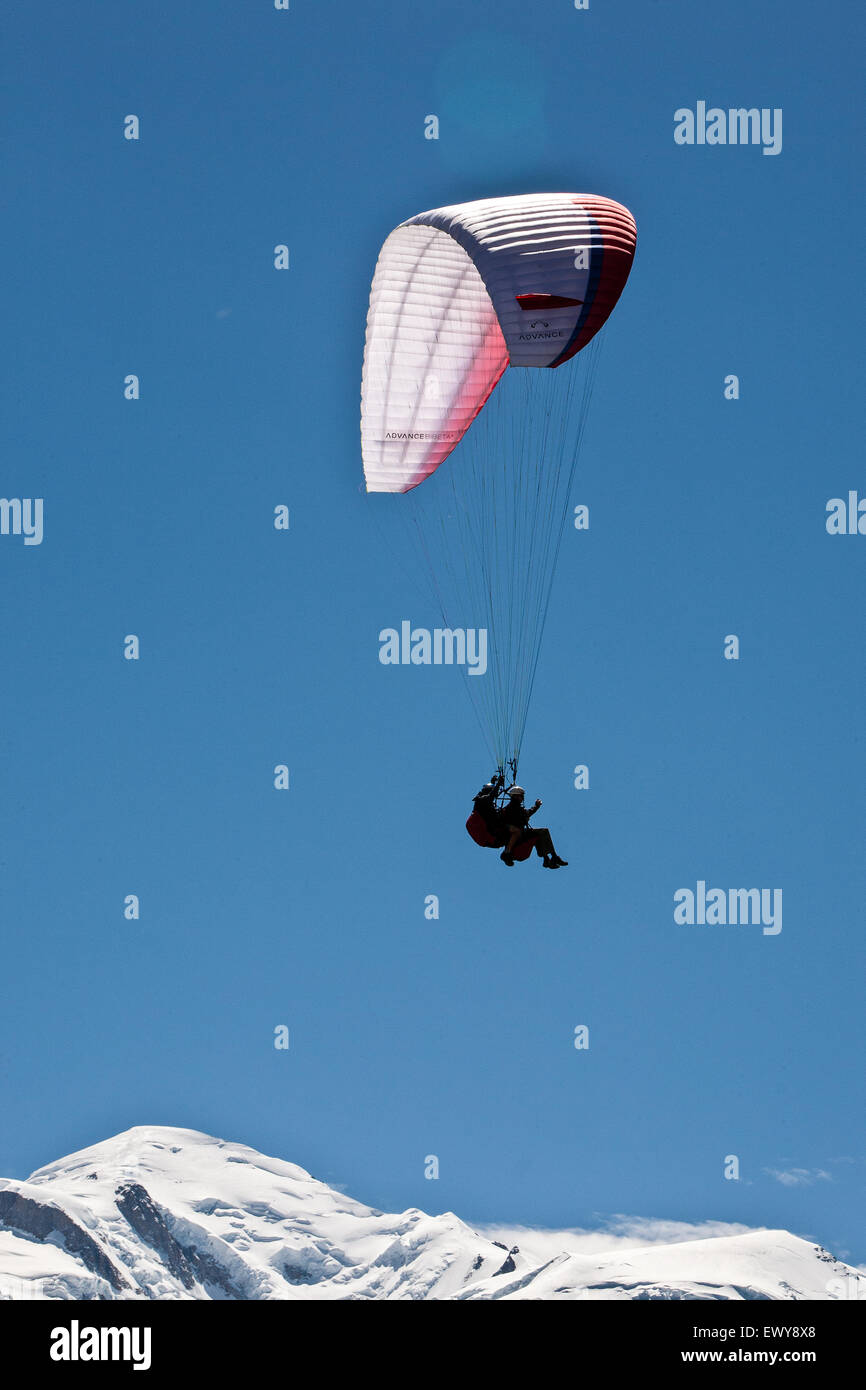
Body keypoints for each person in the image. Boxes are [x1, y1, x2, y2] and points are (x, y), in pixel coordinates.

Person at [498, 785, 567, 869]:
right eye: (521, 796)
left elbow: (524, 815)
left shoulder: (514, 807)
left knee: (540, 833)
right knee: (542, 832)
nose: (522, 798)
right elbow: (525, 814)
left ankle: (548, 859)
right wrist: (536, 806)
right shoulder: (513, 808)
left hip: (520, 833)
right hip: (518, 836)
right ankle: (551, 858)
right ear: (515, 796)